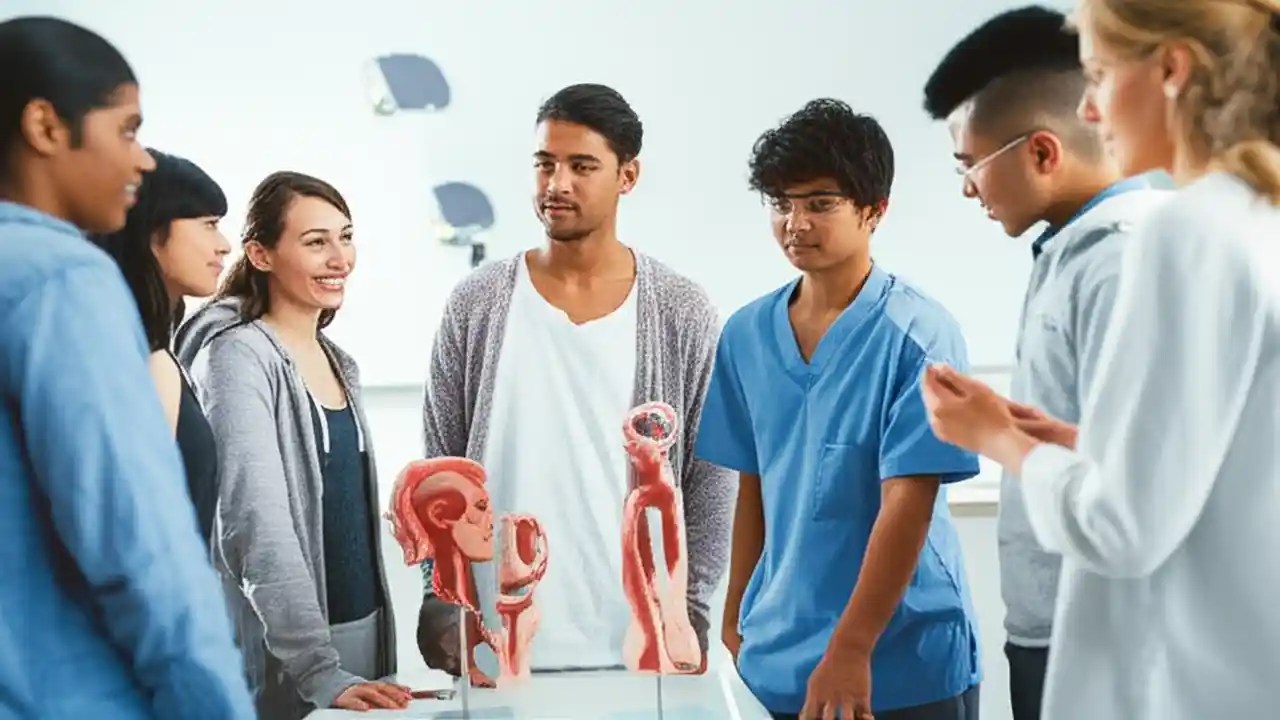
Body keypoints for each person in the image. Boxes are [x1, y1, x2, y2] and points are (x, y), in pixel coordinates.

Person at [921, 1, 1280, 718]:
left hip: (1174, 676)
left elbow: (1120, 530)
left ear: (1171, 69)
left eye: (1098, 74)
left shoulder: (1185, 233)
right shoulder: (1251, 219)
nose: (1090, 105)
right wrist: (1079, 446)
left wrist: (998, 437)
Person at [416, 82, 734, 676]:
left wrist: (686, 609)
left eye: (582, 166)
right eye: (545, 164)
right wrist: (442, 594)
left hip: (638, 651)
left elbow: (712, 476)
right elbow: (440, 464)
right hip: (499, 643)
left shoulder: (681, 311)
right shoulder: (477, 304)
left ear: (627, 176)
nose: (556, 184)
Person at [695, 99, 982, 720]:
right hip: (779, 659)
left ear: (874, 210)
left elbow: (909, 502)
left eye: (819, 203)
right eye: (781, 203)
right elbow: (754, 479)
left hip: (902, 662)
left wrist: (852, 649)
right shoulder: (746, 335)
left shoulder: (920, 335)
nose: (795, 223)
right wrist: (737, 608)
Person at [0, 16, 253, 720]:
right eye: (127, 131)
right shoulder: (60, 278)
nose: (142, 161)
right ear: (46, 127)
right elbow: (136, 543)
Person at [921, 7, 1169, 718]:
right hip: (1056, 625)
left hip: (1102, 632)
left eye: (971, 166)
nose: (969, 189)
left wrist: (994, 435)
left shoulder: (1119, 260)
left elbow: (1135, 487)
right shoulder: (1070, 252)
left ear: (1041, 152)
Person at [173, 171, 406, 718]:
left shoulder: (339, 360)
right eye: (315, 242)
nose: (339, 258)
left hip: (362, 644)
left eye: (345, 237)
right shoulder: (236, 358)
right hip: (293, 663)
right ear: (260, 254)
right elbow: (254, 522)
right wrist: (318, 667)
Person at [90, 149, 232, 543]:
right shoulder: (146, 362)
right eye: (209, 224)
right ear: (152, 233)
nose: (224, 244)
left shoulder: (152, 351)